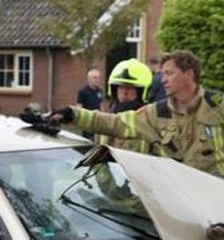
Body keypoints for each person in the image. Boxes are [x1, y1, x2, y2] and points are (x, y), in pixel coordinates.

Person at [50, 50, 224, 178]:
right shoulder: (156, 114)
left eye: (169, 73)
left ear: (189, 74)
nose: (163, 79)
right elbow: (115, 123)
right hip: (180, 203)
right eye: (162, 74)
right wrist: (73, 115)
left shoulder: (219, 106)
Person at [99, 58, 152, 152]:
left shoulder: (149, 124)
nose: (124, 92)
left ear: (141, 92)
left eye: (130, 88)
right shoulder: (107, 118)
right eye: (121, 87)